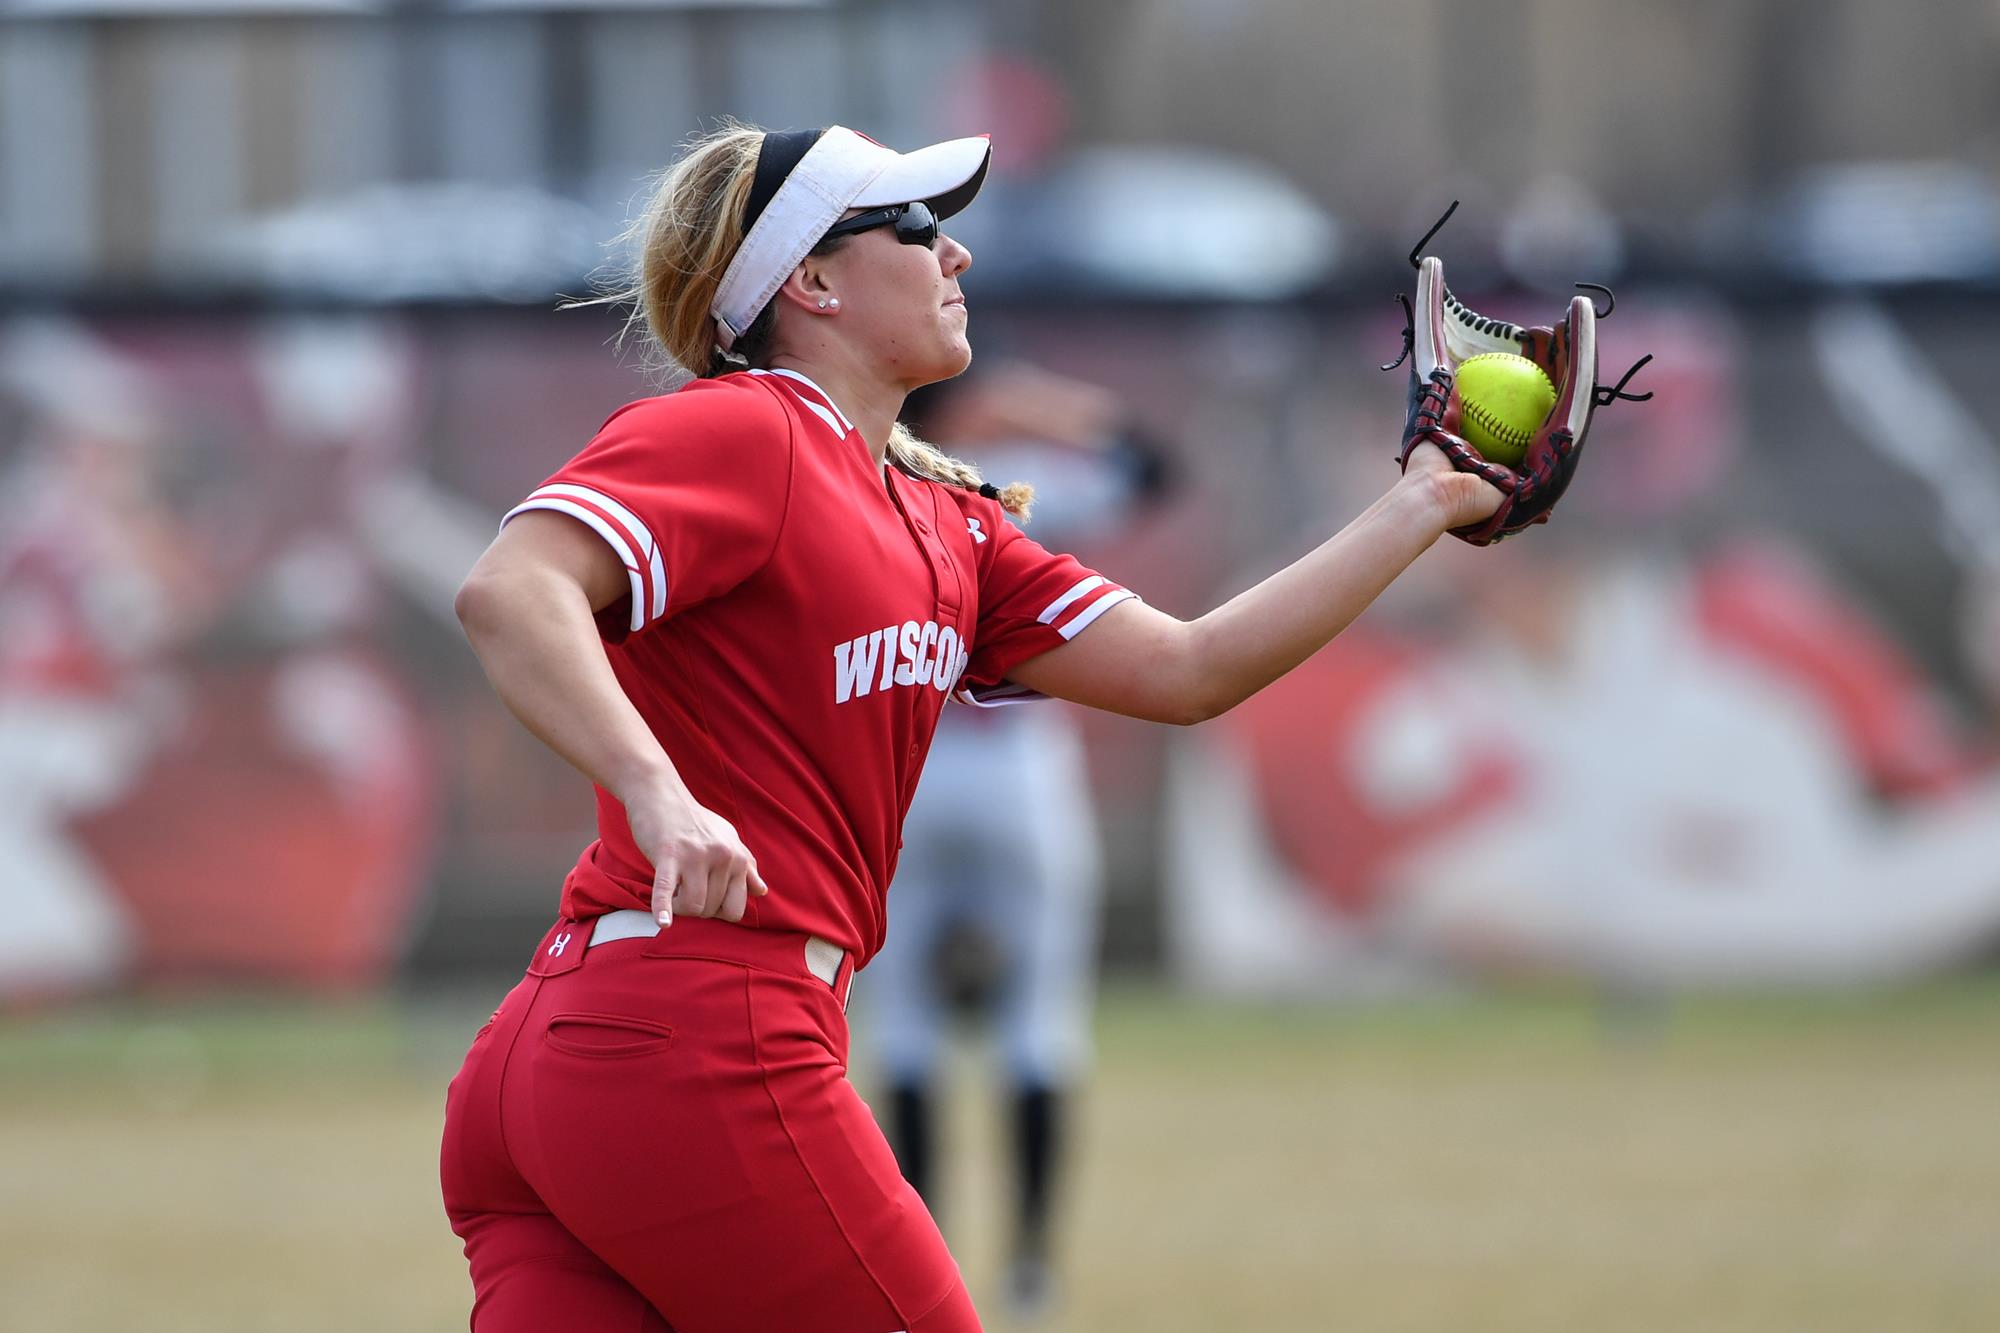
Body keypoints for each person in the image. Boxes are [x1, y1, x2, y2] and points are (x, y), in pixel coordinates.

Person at [438, 121, 1502, 1333]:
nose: (957, 255)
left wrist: (1420, 502)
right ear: (811, 279)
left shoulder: (950, 520)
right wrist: (654, 786)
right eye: (915, 226)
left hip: (589, 1056)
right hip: (692, 1033)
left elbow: (1189, 667)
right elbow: (510, 589)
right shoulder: (746, 428)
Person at [862, 362, 1173, 1320]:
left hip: (902, 765)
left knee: (904, 1026)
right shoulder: (1016, 480)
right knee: (1039, 1019)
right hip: (1016, 768)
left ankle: (922, 1264)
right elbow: (1151, 469)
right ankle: (1030, 1271)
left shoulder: (872, 477)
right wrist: (1045, 404)